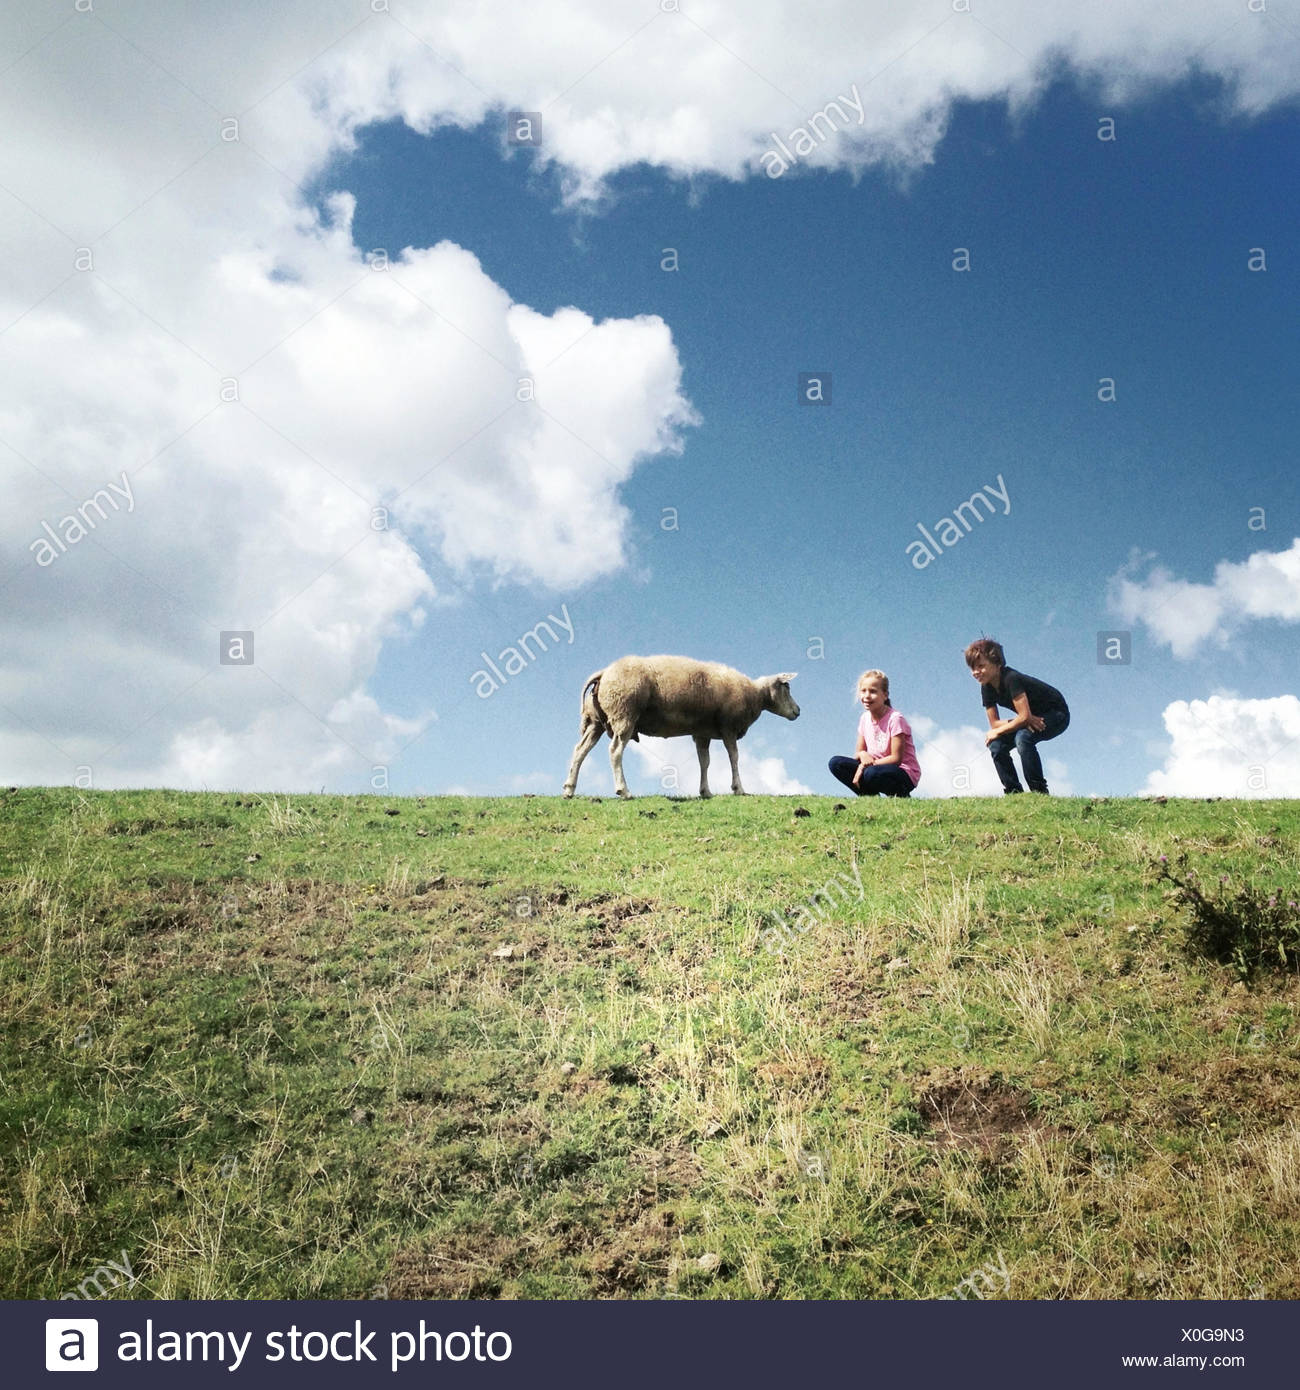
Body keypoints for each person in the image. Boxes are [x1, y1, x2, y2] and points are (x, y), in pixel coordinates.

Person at [964, 637, 1069, 794]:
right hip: (1031, 715)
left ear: (997, 664)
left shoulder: (1011, 678)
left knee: (1023, 738)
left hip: (1057, 714)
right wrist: (1022, 719)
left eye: (981, 666)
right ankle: (1013, 792)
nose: (975, 672)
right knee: (996, 745)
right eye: (972, 668)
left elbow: (1020, 719)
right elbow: (995, 724)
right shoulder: (986, 687)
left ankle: (1039, 790)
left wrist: (1023, 719)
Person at [828, 669, 921, 797]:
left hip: (902, 773)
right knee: (836, 763)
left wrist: (864, 766)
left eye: (873, 691)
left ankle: (901, 794)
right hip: (873, 769)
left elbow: (896, 759)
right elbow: (859, 752)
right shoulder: (864, 719)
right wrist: (863, 754)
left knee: (870, 773)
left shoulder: (895, 719)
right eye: (863, 691)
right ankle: (870, 796)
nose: (866, 696)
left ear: (885, 695)